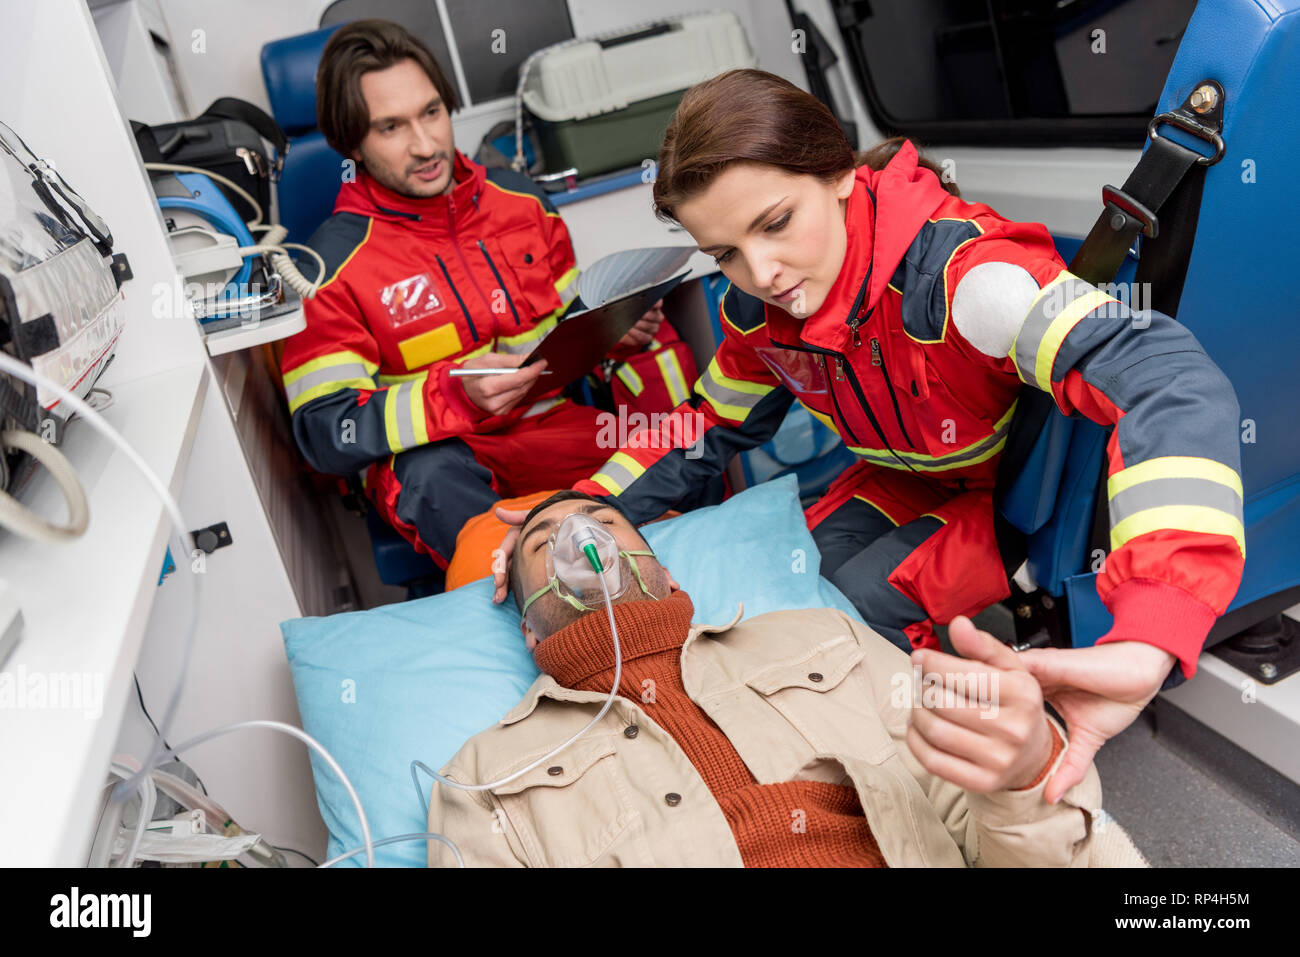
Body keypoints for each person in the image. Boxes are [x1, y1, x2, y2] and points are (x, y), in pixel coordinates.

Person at [490, 69, 1245, 804]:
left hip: (1002, 500)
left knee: (848, 604)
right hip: (901, 478)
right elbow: (705, 428)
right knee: (784, 598)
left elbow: (1168, 377)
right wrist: (574, 508)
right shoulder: (760, 317)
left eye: (776, 222)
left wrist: (1152, 627)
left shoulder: (966, 284)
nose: (761, 271)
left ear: (841, 174)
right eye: (724, 254)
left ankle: (909, 801)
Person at [426, 491, 1101, 867]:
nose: (580, 540)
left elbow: (997, 836)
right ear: (528, 633)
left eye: (603, 523)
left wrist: (1023, 775)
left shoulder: (820, 636)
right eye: (545, 544)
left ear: (670, 576)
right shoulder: (484, 776)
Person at [279, 19, 696, 576]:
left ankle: (675, 584)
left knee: (675, 451)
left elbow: (562, 328)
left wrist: (615, 335)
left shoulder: (523, 204)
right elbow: (328, 434)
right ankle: (533, 612)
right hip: (447, 462)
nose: (426, 146)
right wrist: (457, 399)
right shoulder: (327, 268)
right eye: (391, 127)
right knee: (434, 480)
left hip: (553, 426)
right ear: (351, 141)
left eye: (431, 113)